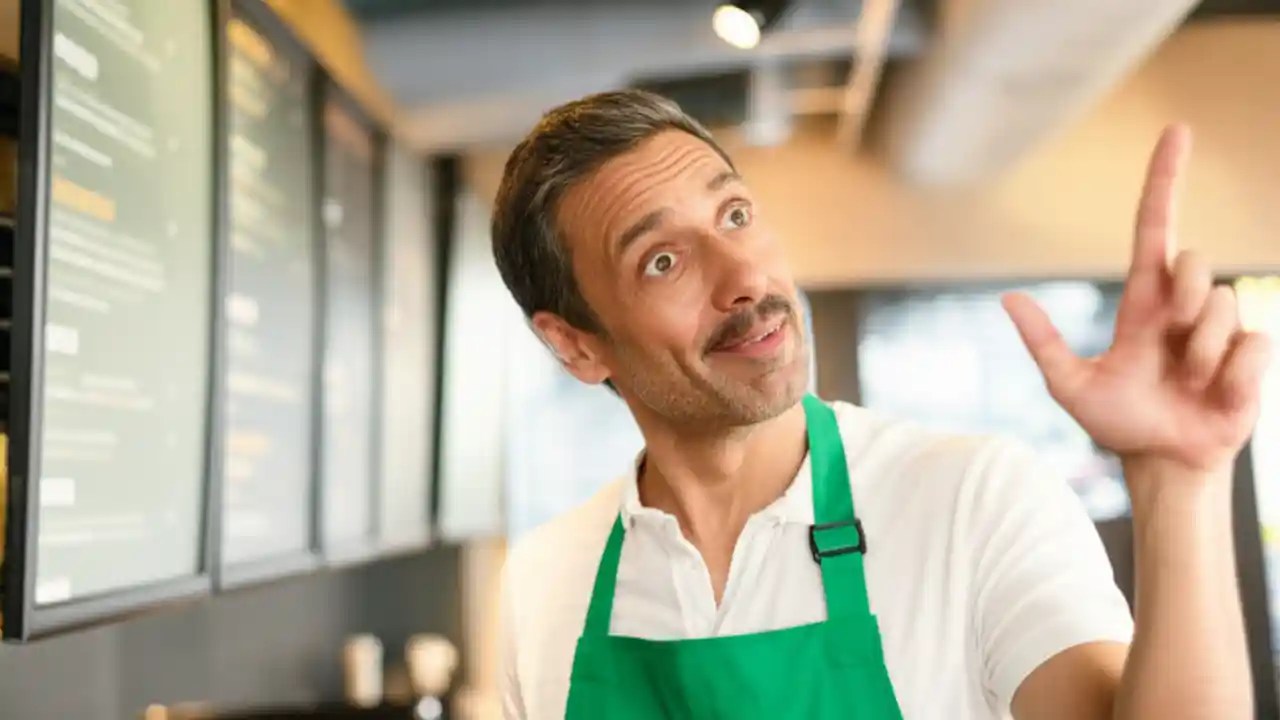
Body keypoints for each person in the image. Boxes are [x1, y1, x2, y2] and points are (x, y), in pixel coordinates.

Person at [490, 90, 1270, 719]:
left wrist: (1179, 483)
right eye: (663, 260)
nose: (746, 279)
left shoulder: (972, 499)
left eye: (735, 215)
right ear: (576, 346)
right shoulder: (547, 581)